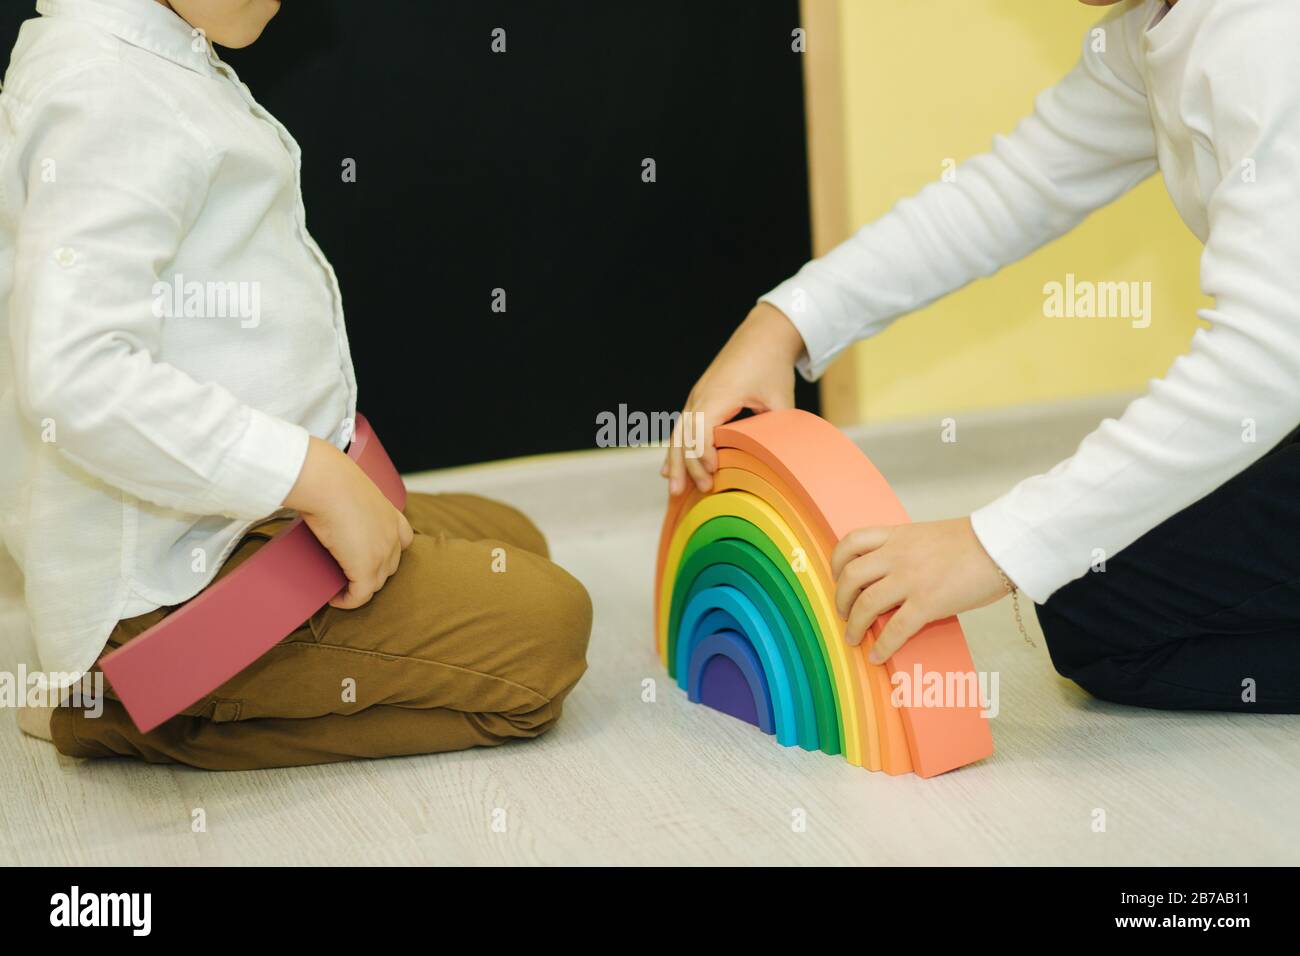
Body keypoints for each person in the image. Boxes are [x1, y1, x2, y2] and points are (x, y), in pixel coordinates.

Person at [1, 0, 591, 769]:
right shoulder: (104, 90)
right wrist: (308, 475)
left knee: (518, 539)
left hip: (239, 515)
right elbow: (77, 376)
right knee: (546, 637)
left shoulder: (160, 56)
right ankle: (113, 712)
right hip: (170, 582)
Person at [666, 0, 1300, 712]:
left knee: (1095, 614)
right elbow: (1007, 193)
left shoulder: (1265, 31)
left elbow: (1270, 353)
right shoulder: (1157, 27)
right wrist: (782, 323)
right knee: (1086, 600)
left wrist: (989, 544)